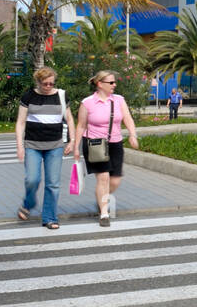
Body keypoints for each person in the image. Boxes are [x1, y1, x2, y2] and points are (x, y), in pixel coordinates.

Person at [74, 69, 140, 227]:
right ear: (100, 84)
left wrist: (132, 134)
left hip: (115, 143)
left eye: (115, 82)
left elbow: (127, 118)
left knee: (115, 180)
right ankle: (104, 213)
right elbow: (81, 126)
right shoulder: (87, 102)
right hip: (95, 143)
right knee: (103, 177)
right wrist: (76, 147)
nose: (114, 85)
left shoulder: (118, 100)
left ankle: (101, 196)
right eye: (111, 82)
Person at [15, 67, 76, 230]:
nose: (48, 86)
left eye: (51, 83)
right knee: (32, 179)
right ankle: (29, 202)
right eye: (45, 83)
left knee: (53, 184)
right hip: (32, 145)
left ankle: (49, 217)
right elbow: (20, 122)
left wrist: (72, 141)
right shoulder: (29, 96)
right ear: (38, 82)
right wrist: (19, 146)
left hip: (55, 145)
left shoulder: (61, 96)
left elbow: (69, 120)